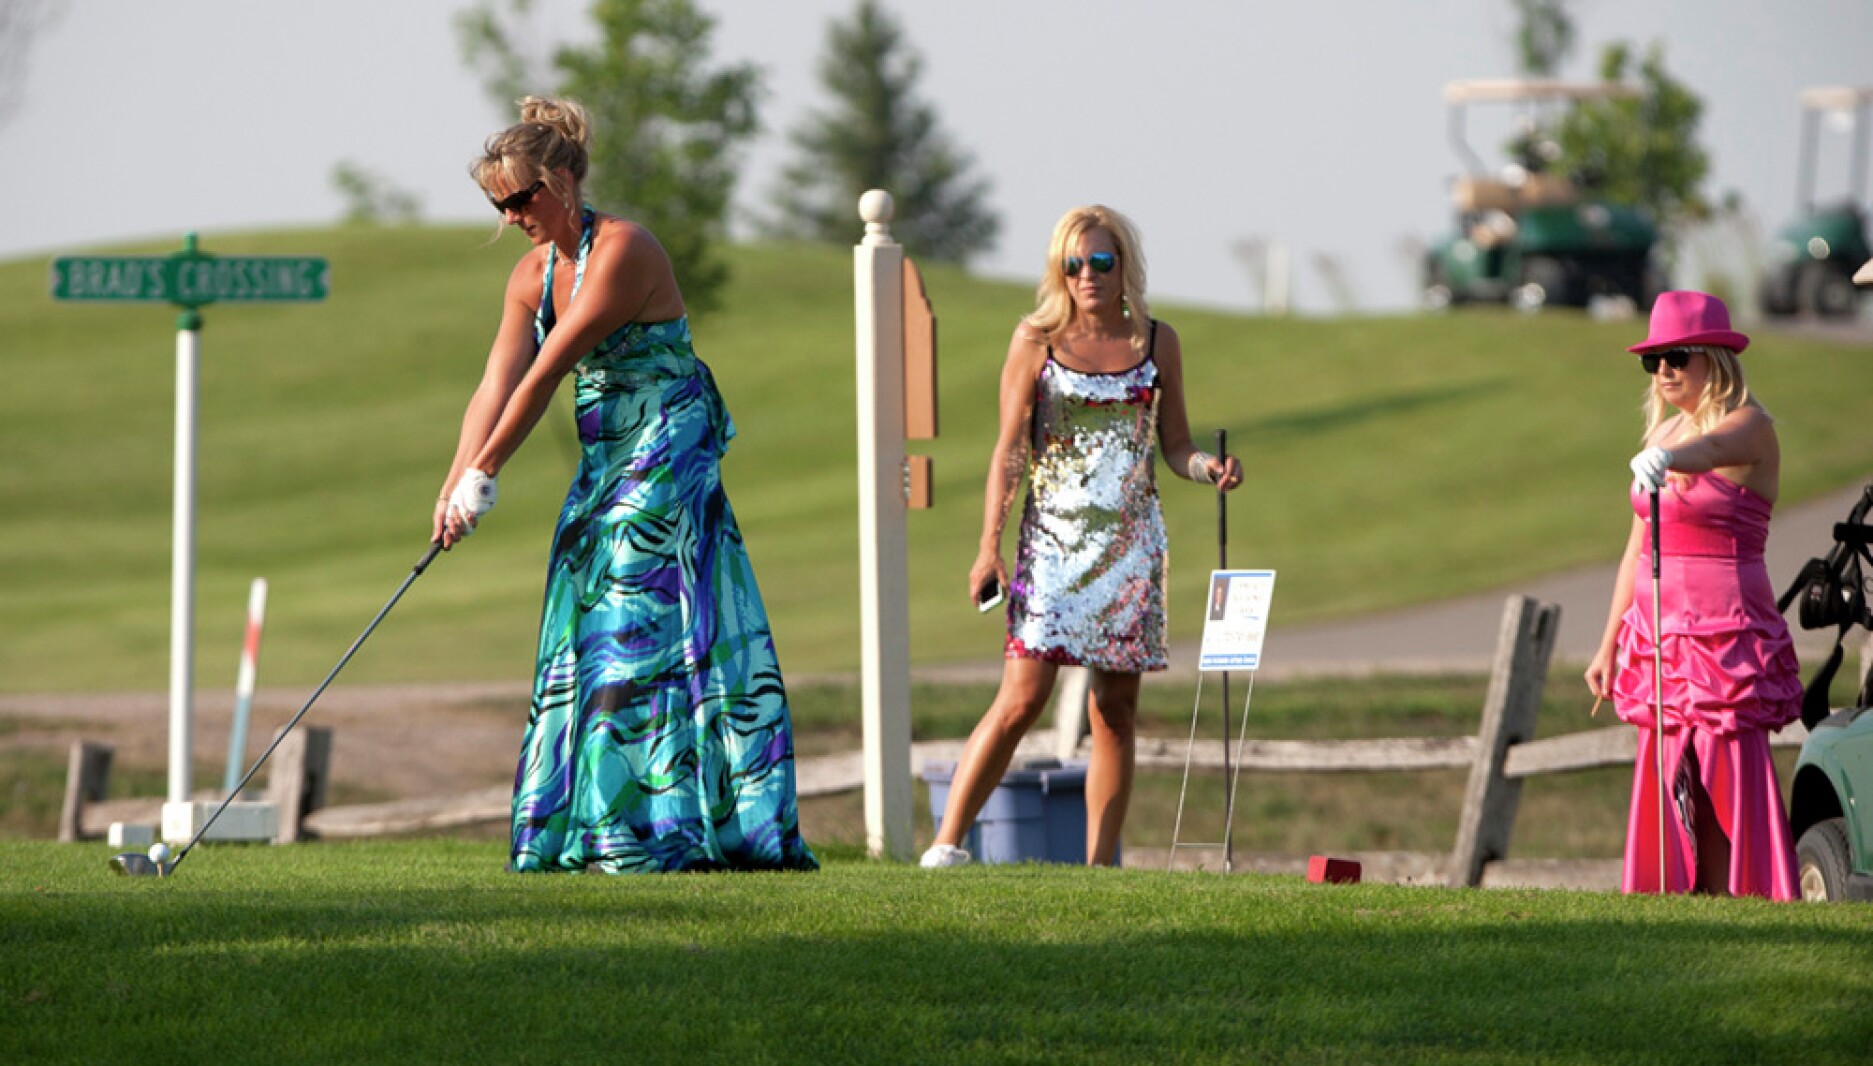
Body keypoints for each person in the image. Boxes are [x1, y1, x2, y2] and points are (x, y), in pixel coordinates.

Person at [436, 96, 816, 874]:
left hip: (669, 440)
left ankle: (645, 834)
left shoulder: (624, 251)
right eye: (497, 205)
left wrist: (486, 472)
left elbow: (547, 372)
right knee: (585, 607)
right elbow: (494, 384)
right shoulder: (529, 274)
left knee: (631, 609)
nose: (511, 217)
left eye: (520, 199)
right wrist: (452, 487)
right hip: (609, 449)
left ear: (566, 179)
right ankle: (606, 822)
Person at [920, 205, 1242, 869]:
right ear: (1057, 272)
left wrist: (1207, 468)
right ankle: (946, 844)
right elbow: (1009, 451)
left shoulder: (1157, 341)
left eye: (1100, 261)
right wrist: (988, 544)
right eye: (1074, 264)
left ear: (1124, 266)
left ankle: (1099, 868)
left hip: (1129, 548)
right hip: (1052, 547)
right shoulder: (1035, 339)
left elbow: (1174, 443)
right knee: (1021, 699)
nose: (1087, 275)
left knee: (1114, 714)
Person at [1584, 290, 1801, 899]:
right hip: (1659, 629)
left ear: (1716, 359)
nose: (1664, 372)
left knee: (1724, 762)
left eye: (1678, 356)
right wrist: (1608, 645)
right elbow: (1637, 549)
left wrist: (1667, 457)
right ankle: (1674, 893)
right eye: (1653, 361)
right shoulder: (1663, 429)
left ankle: (1742, 891)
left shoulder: (1750, 426)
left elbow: (1710, 451)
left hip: (1724, 626)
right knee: (1666, 764)